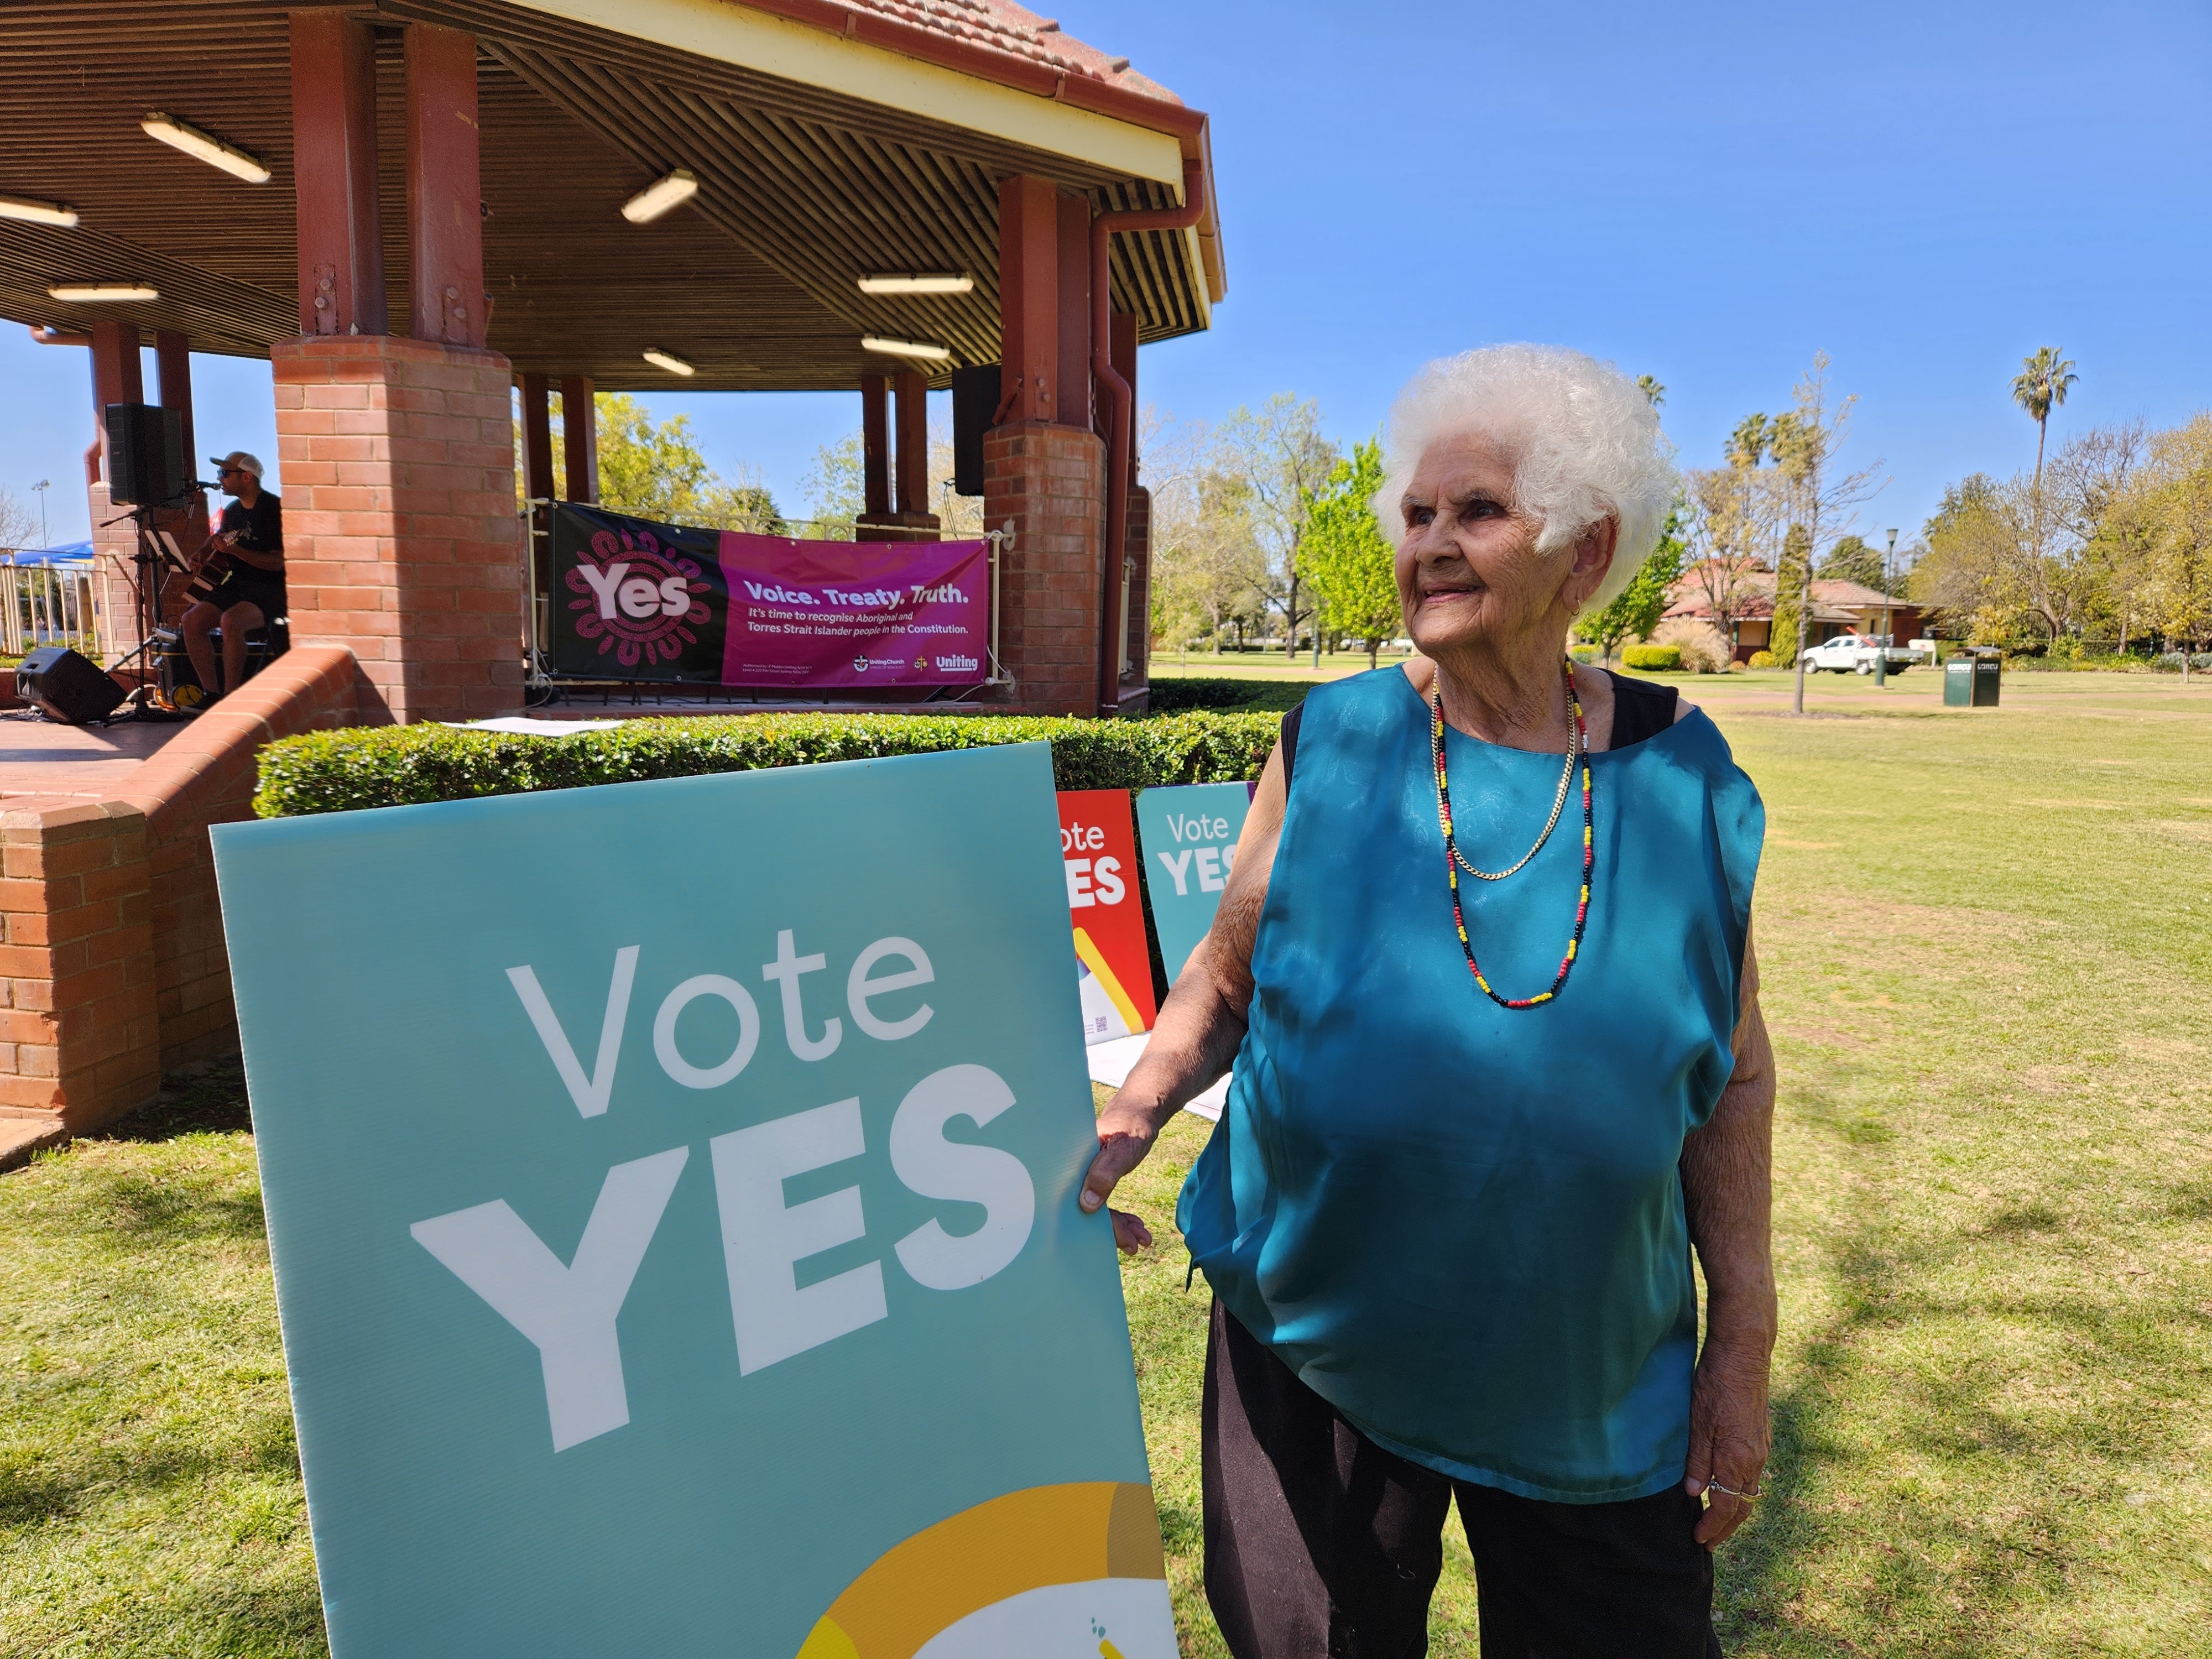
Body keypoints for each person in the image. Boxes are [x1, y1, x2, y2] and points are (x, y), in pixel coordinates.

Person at [1081, 346, 1775, 1658]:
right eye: (1416, 514)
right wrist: (1135, 1109)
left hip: (1586, 1378)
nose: (1431, 544)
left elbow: (1730, 1069)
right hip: (1312, 1344)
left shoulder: (1688, 782)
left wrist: (1741, 1342)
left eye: (1479, 510)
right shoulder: (1328, 739)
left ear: (1585, 550)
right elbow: (1222, 980)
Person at [182, 451, 285, 703]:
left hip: (270, 588)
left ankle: (231, 698)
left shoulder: (273, 509)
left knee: (231, 621)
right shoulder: (233, 510)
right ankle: (211, 695)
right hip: (238, 584)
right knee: (191, 621)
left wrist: (236, 551)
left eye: (225, 473)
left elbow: (277, 563)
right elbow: (218, 537)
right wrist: (201, 553)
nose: (220, 478)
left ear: (247, 477)